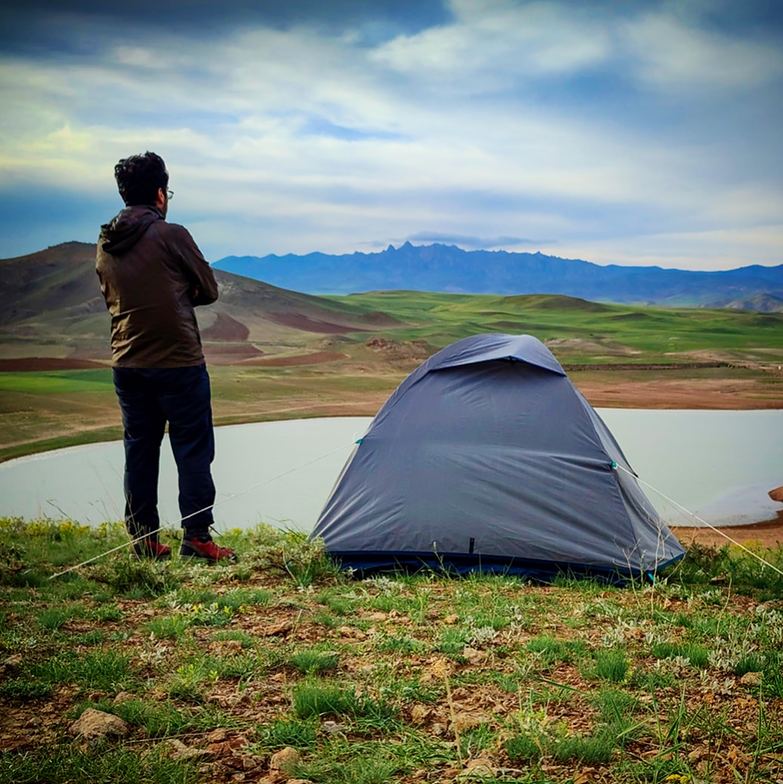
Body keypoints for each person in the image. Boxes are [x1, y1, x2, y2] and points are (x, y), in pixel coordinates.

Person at [96, 151, 235, 562]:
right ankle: (196, 537)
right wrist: (177, 296)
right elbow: (208, 289)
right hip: (179, 362)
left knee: (139, 449)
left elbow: (111, 298)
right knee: (192, 447)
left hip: (128, 362)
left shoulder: (104, 244)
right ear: (160, 194)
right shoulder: (173, 235)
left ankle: (143, 539)